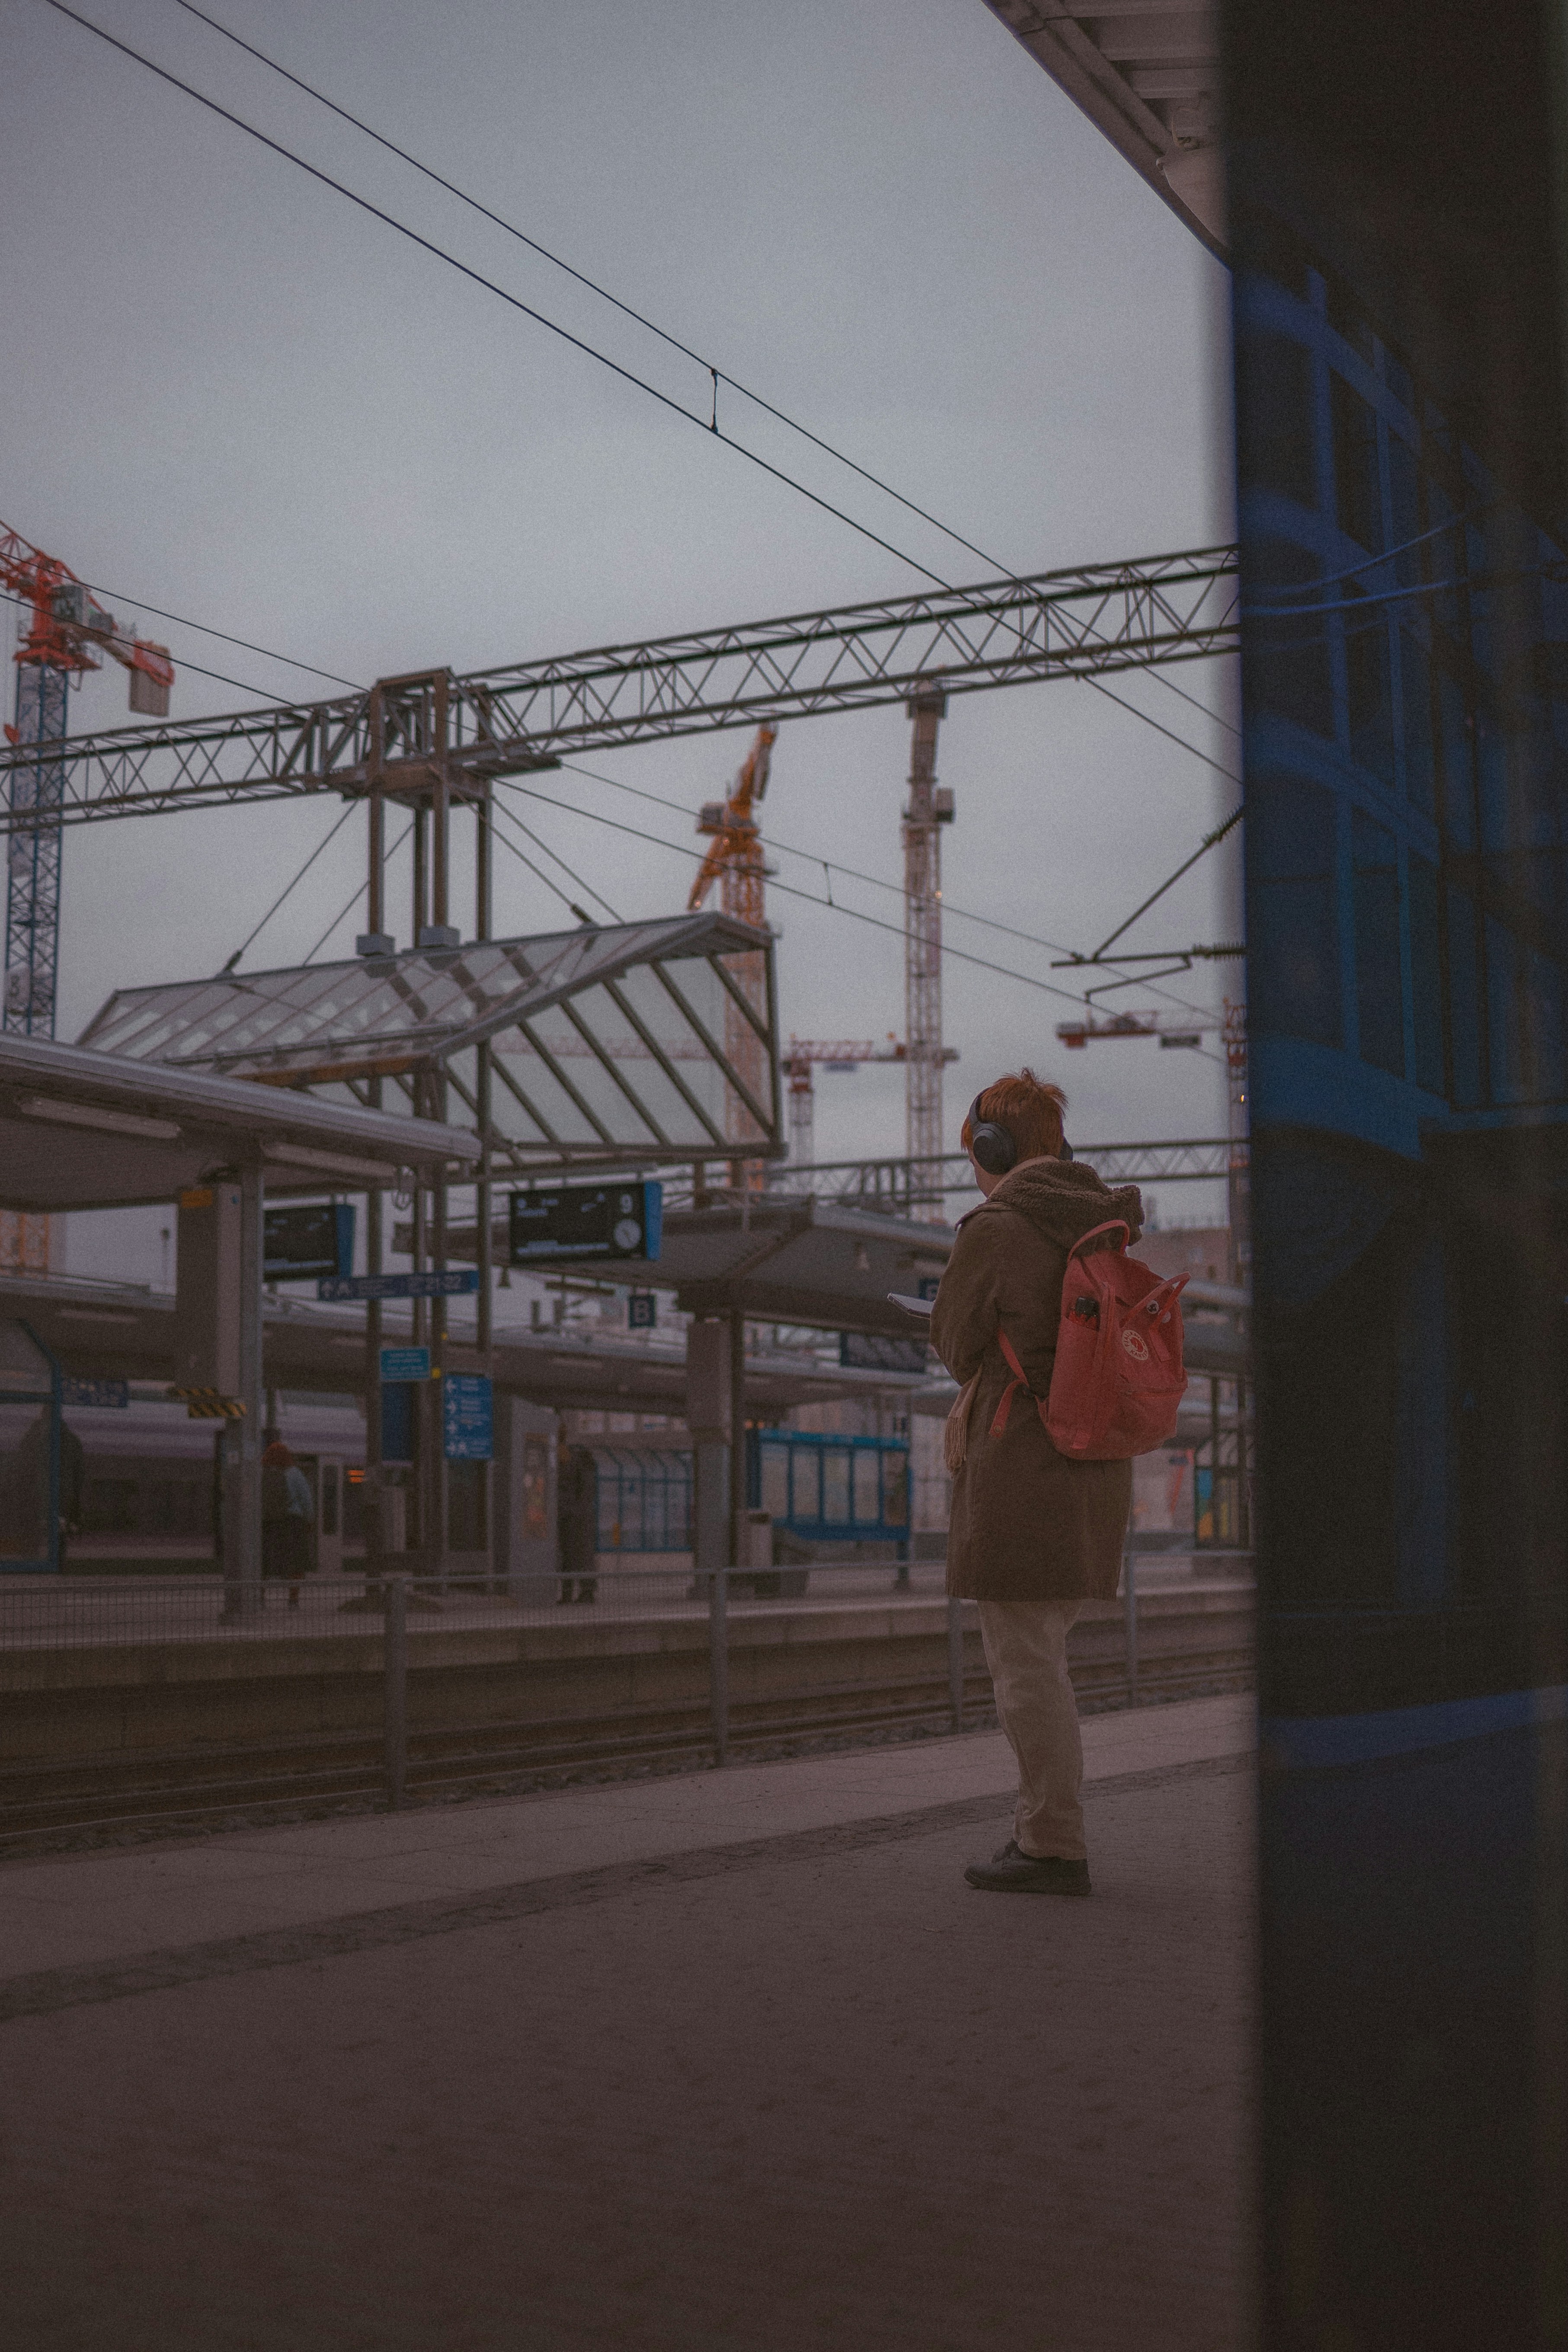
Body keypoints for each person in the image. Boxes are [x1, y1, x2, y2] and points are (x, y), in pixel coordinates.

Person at [930, 1069, 1143, 1897]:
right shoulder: (1100, 1223)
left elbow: (956, 1341)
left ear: (992, 1147)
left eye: (975, 1152)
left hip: (1023, 1471)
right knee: (1041, 1658)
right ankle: (1041, 1828)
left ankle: (1052, 1843)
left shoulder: (997, 1227)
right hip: (1094, 1469)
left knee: (1025, 1670)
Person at [261, 1440, 314, 1607]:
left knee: (265, 1560)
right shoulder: (295, 1474)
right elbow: (306, 1500)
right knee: (295, 1561)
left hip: (268, 1523)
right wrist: (309, 1520)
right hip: (293, 1523)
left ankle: (260, 1597)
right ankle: (293, 1599)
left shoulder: (261, 1473)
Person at [557, 1436, 599, 1603]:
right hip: (568, 1516)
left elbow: (586, 1493)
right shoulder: (566, 1462)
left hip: (578, 1518)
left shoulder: (577, 1462)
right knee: (569, 1557)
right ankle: (569, 1594)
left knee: (580, 1555)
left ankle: (586, 1592)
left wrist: (575, 1511)